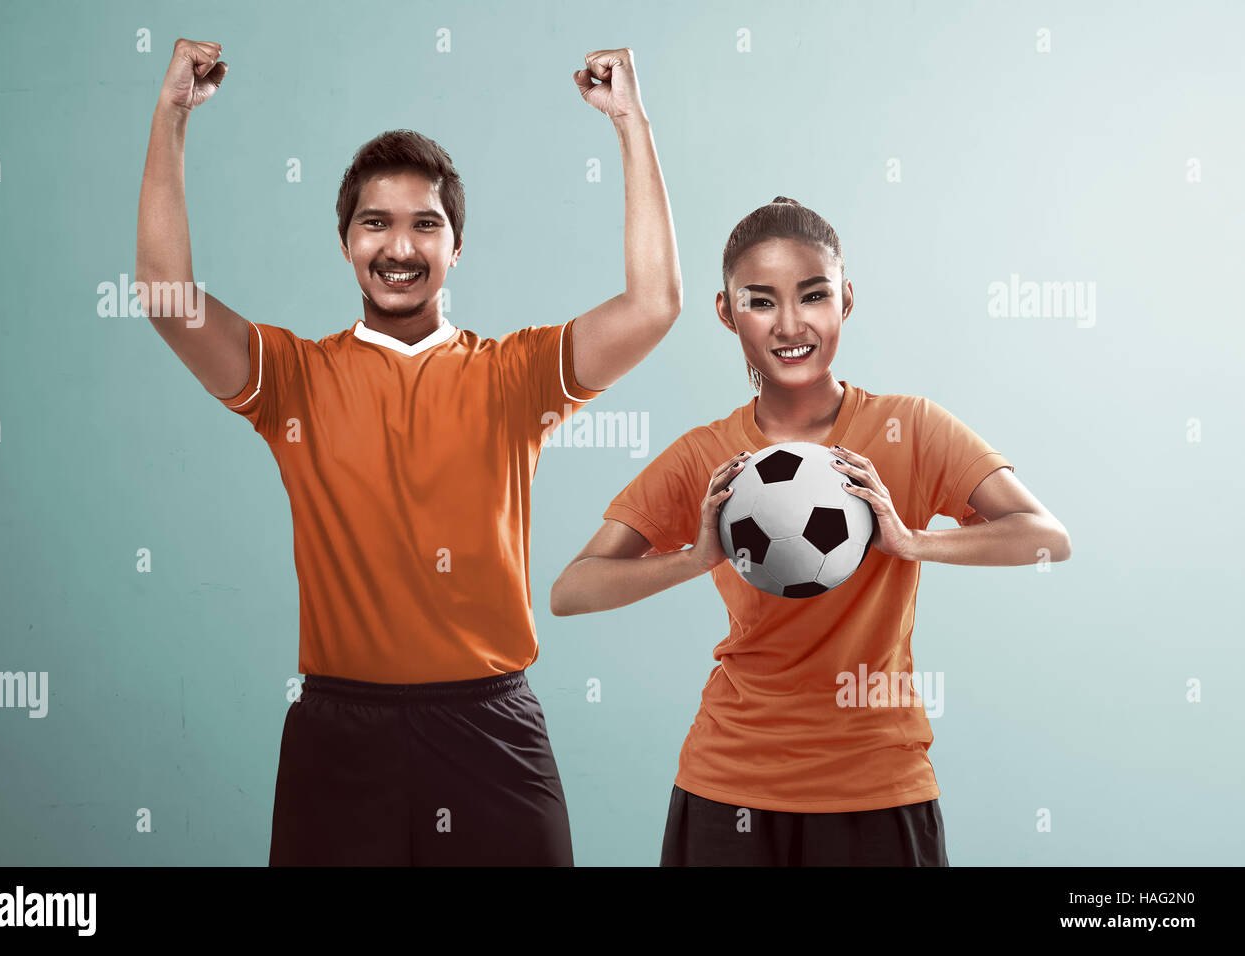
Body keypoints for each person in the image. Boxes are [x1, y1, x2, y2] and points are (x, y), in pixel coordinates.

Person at [135, 38, 681, 865]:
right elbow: (168, 300)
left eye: (426, 225)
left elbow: (653, 305)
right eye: (375, 224)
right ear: (345, 242)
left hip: (491, 730)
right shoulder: (294, 380)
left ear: (455, 247)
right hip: (338, 735)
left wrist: (630, 123)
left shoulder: (515, 375)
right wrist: (171, 113)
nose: (400, 247)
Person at [550, 197, 1072, 866]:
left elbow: (1045, 536)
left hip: (878, 787)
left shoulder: (909, 427)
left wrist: (912, 542)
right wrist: (693, 557)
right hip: (728, 785)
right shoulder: (705, 455)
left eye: (814, 295)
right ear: (725, 311)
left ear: (845, 300)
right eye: (760, 301)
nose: (791, 324)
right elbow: (571, 590)